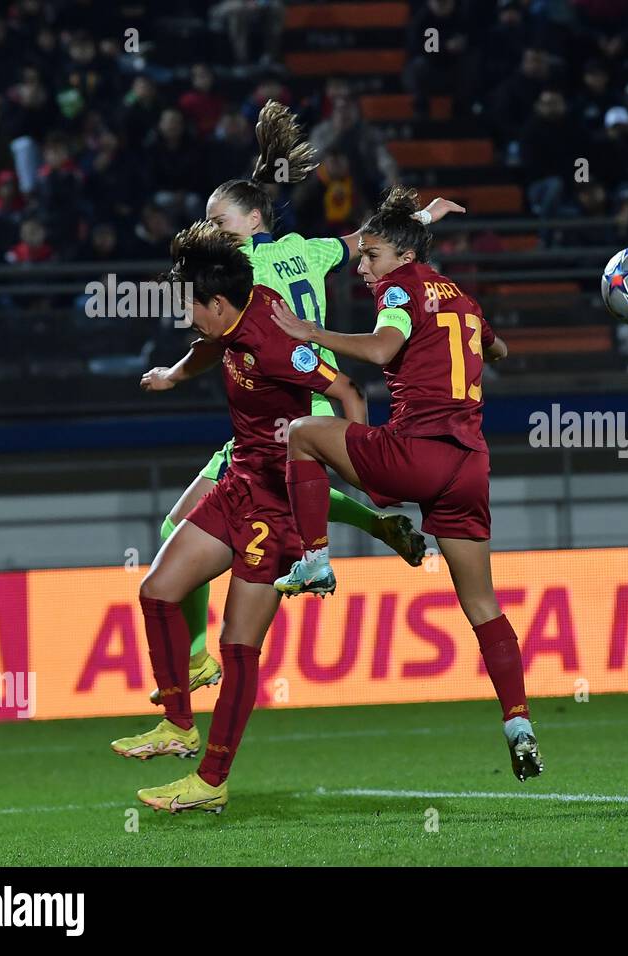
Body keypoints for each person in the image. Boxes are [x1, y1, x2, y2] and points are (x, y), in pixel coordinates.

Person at [139, 101, 463, 707]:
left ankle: (198, 661)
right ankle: (375, 523)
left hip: (274, 405)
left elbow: (218, 337)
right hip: (313, 400)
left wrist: (175, 376)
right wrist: (420, 215)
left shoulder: (241, 271)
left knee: (180, 526)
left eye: (219, 219)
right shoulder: (310, 250)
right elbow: (370, 241)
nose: (211, 228)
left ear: (253, 217)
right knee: (292, 485)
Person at [269, 186, 544, 782]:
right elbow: (499, 347)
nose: (362, 267)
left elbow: (381, 346)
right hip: (469, 465)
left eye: (368, 256)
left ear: (397, 256)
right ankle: (518, 723)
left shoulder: (400, 288)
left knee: (300, 434)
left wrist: (311, 333)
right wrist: (481, 356)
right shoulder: (462, 298)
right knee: (482, 605)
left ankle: (315, 558)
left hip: (418, 450)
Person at [111, 222, 365, 813]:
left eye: (192, 308)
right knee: (157, 592)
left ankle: (211, 781)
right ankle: (178, 723)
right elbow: (208, 347)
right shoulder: (229, 322)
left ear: (218, 303)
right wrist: (174, 376)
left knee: (238, 648)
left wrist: (361, 463)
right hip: (236, 484)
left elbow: (347, 388)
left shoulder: (275, 340)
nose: (188, 318)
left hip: (275, 506)